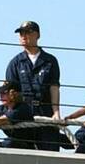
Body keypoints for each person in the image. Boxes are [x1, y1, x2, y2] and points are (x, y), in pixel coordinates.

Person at [4, 20, 66, 150]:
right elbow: (9, 93)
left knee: (49, 151)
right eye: (21, 33)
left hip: (45, 111)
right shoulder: (15, 63)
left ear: (37, 35)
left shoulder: (50, 61)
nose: (23, 36)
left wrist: (56, 113)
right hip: (23, 112)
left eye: (27, 32)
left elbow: (54, 87)